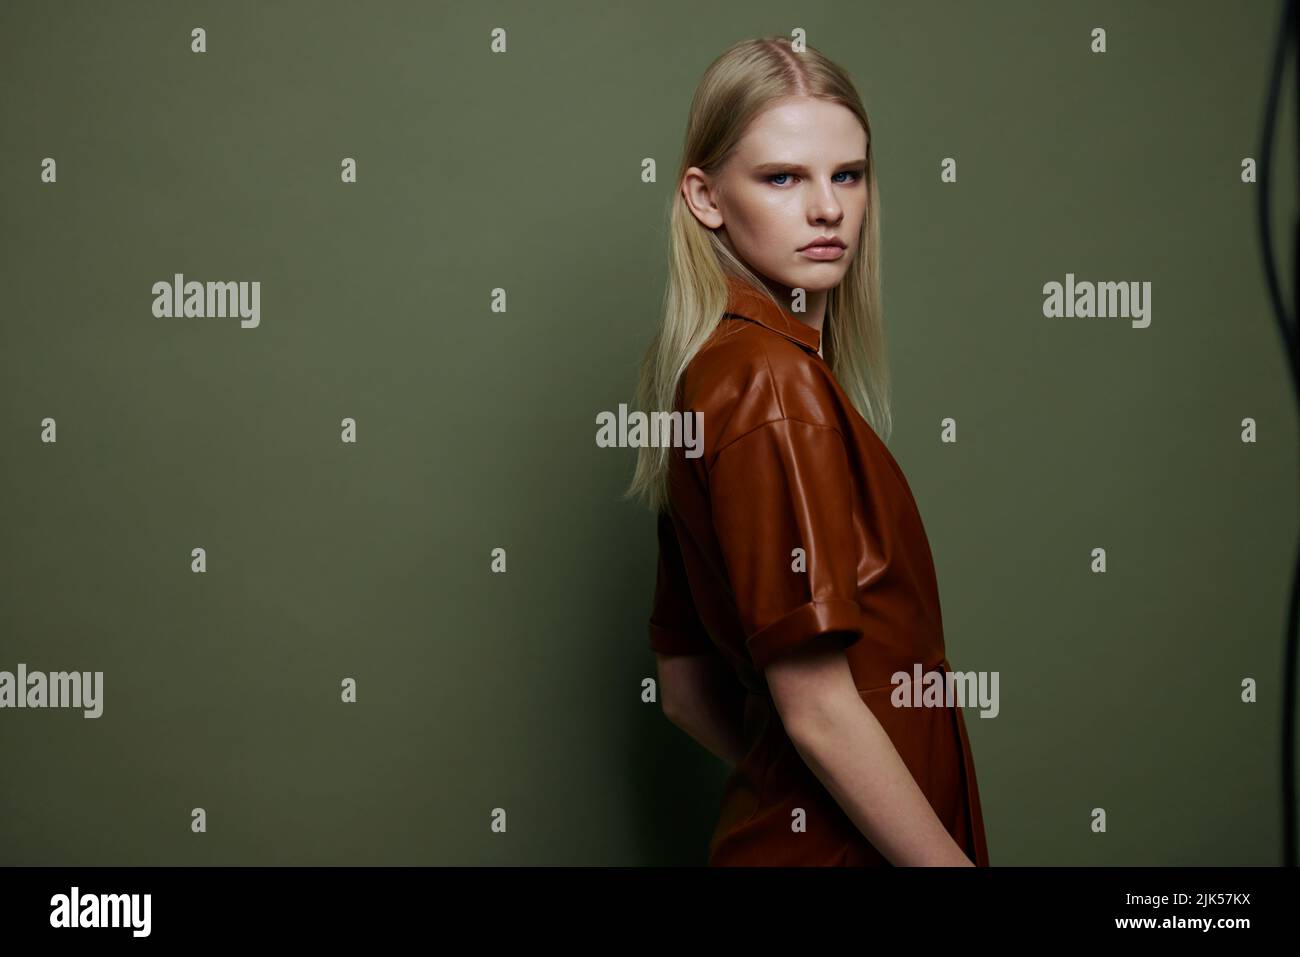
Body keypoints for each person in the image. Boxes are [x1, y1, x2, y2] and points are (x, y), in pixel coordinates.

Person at [625, 36, 990, 867]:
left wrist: (797, 788)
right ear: (705, 196)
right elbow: (819, 708)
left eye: (848, 175)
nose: (826, 208)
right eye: (783, 177)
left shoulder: (716, 375)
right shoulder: (771, 387)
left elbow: (682, 686)